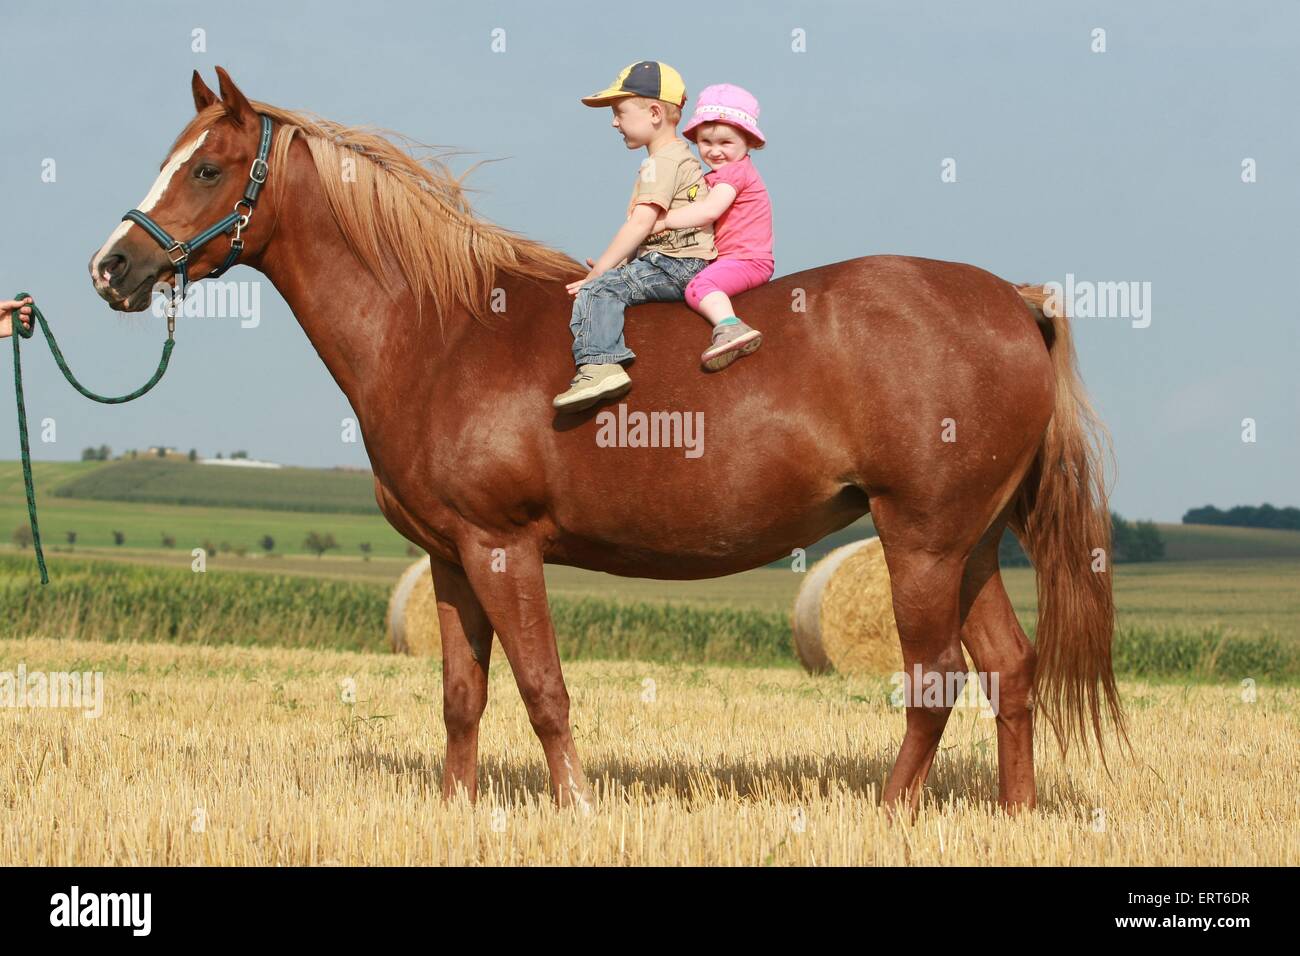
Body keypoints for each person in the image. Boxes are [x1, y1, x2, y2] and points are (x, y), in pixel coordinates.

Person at [554, 61, 717, 412]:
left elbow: (641, 225)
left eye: (619, 112)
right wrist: (622, 262)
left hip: (675, 265)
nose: (614, 122)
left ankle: (600, 365)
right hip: (678, 260)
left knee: (601, 289)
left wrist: (599, 274)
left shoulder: (661, 163)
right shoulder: (676, 157)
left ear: (655, 112)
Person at [660, 84, 774, 370]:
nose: (714, 151)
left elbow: (708, 212)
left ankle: (730, 326)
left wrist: (662, 222)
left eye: (726, 143)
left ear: (748, 142)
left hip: (747, 260)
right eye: (706, 142)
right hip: (728, 259)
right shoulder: (716, 177)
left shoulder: (736, 173)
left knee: (700, 286)